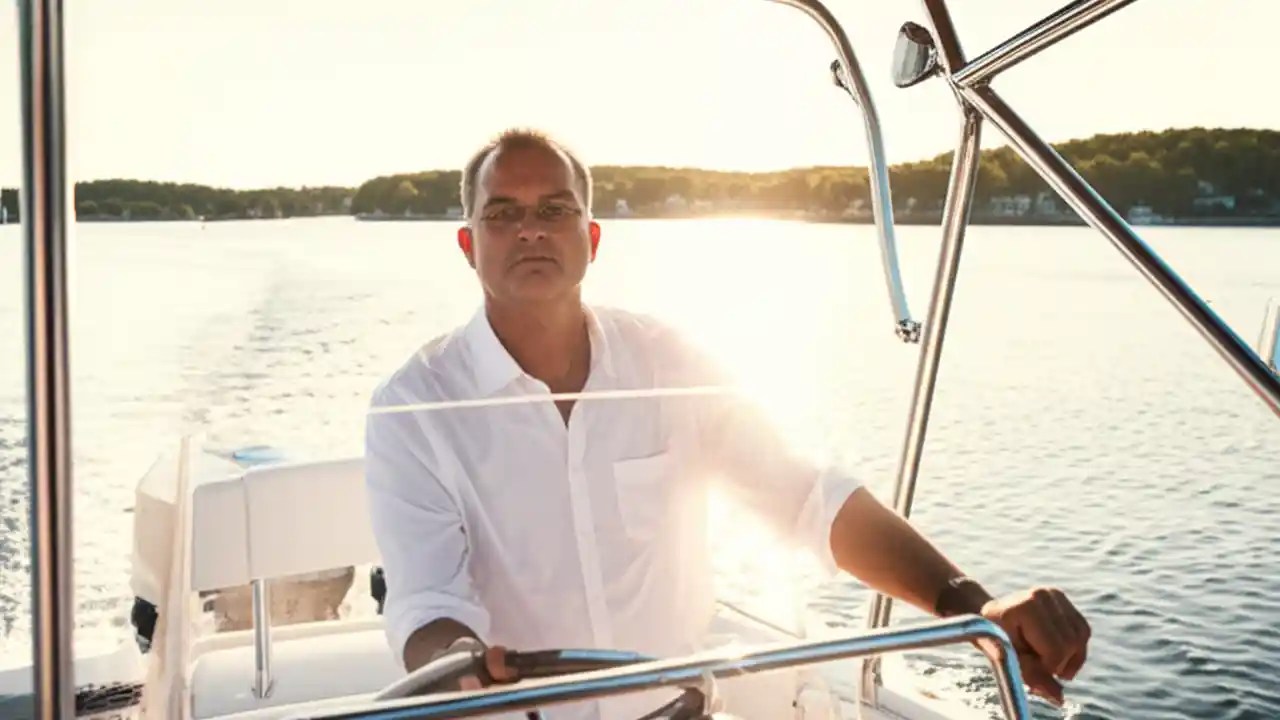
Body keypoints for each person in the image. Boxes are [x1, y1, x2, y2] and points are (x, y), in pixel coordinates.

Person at [364, 129, 1090, 717]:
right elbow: (429, 603)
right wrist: (459, 668)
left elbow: (805, 499)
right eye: (503, 213)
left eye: (553, 210)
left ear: (591, 237)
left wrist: (978, 606)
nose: (529, 231)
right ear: (468, 244)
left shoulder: (669, 361)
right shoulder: (414, 408)